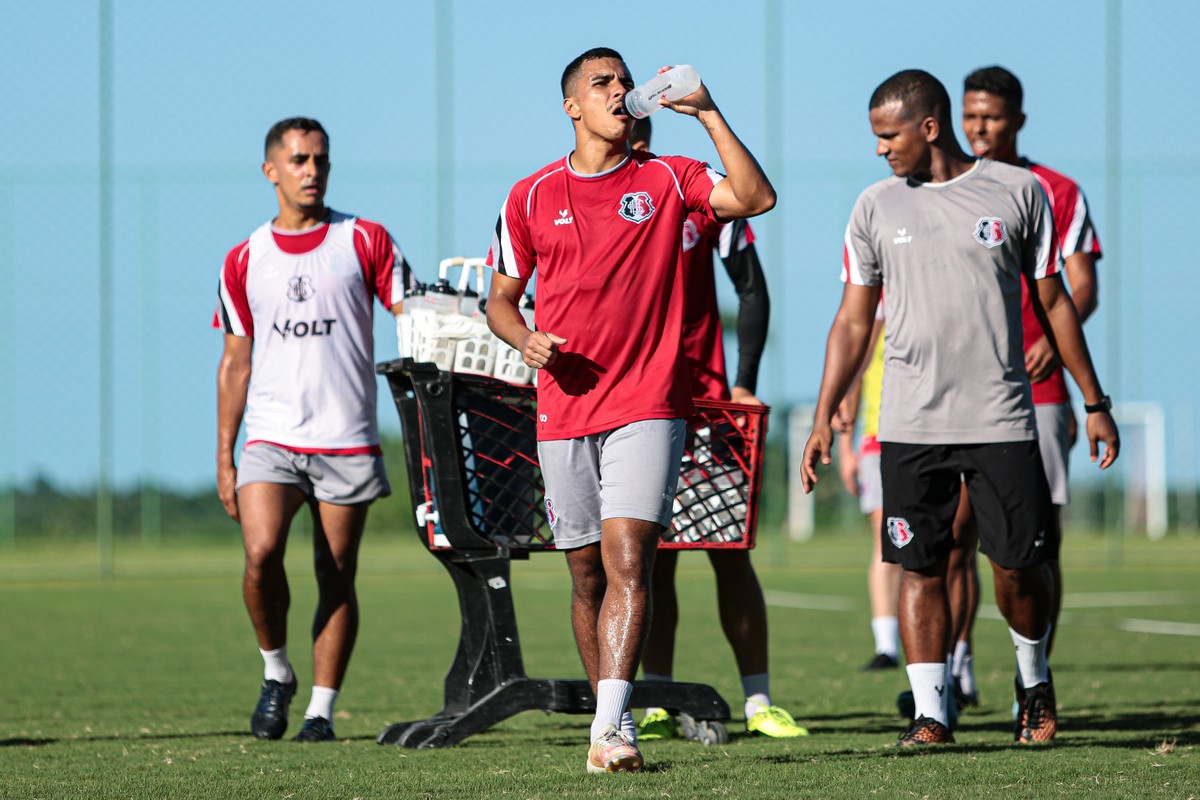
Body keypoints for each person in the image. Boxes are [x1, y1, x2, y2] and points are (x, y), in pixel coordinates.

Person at [799, 70, 1118, 747]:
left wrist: (1095, 401)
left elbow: (1056, 302)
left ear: (928, 127)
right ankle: (931, 714)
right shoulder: (874, 206)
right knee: (922, 568)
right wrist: (826, 412)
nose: (880, 149)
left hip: (1001, 418)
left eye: (889, 135)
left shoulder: (1018, 192)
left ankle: (1032, 682)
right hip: (909, 425)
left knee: (1016, 567)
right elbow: (854, 323)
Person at [484, 48, 775, 773]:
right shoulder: (527, 196)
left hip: (650, 403)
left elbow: (756, 197)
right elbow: (499, 300)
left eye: (624, 80)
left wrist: (706, 111)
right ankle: (611, 715)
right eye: (601, 84)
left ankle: (611, 730)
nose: (619, 91)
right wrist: (525, 339)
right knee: (585, 573)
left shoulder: (669, 176)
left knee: (628, 560)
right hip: (564, 408)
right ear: (571, 107)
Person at [214, 117, 416, 742]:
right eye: (299, 160)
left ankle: (320, 712)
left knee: (336, 574)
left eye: (320, 160)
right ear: (271, 169)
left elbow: (413, 315)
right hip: (271, 437)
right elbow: (235, 362)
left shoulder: (364, 240)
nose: (312, 171)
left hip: (348, 437)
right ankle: (276, 670)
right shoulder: (245, 258)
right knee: (260, 554)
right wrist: (225, 456)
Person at [627, 118, 807, 741]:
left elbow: (752, 291)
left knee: (729, 555)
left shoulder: (698, 198)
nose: (638, 144)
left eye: (644, 132)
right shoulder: (588, 203)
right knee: (649, 565)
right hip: (632, 408)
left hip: (707, 410)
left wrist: (745, 379)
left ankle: (759, 703)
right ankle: (654, 700)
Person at [958, 65, 1104, 671]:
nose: (979, 127)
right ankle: (954, 669)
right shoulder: (945, 185)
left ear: (1017, 119)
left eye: (990, 116)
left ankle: (1036, 670)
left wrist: (1049, 339)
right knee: (953, 537)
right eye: (970, 116)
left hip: (1038, 392)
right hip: (957, 393)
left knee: (1039, 542)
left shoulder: (1057, 190)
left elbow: (1082, 288)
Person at [833, 313, 902, 672]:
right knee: (886, 539)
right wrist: (846, 449)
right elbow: (855, 371)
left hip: (929, 436)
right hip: (878, 438)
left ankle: (944, 650)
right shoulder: (877, 309)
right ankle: (887, 644)